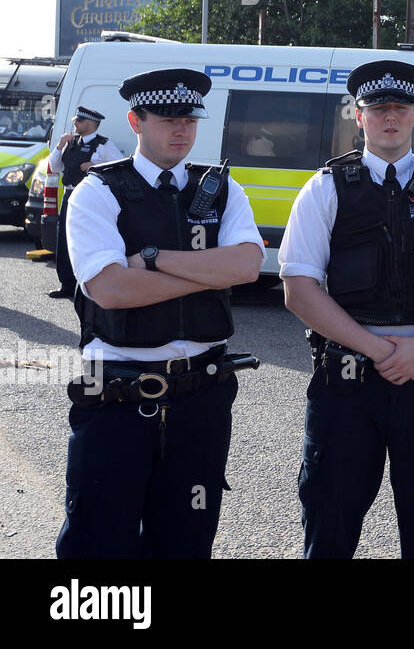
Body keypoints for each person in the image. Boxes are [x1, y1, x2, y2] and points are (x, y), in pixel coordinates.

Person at [280, 59, 414, 559]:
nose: (390, 117)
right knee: (329, 520)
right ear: (358, 117)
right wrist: (380, 349)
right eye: (377, 108)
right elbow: (299, 287)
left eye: (400, 107)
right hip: (348, 380)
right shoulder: (326, 187)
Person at [55, 69, 264, 559]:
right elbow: (109, 288)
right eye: (168, 118)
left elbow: (247, 266)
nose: (181, 130)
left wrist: (152, 258)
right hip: (116, 398)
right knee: (97, 541)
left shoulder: (221, 189)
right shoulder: (98, 191)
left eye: (189, 120)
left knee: (186, 540)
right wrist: (208, 272)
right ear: (135, 121)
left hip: (201, 398)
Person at [47, 107, 124, 298]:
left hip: (91, 199)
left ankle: (86, 286)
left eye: (78, 121)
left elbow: (120, 168)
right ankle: (66, 285)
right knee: (64, 240)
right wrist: (59, 145)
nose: (75, 124)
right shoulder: (70, 143)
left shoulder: (104, 145)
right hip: (69, 195)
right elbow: (55, 167)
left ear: (90, 124)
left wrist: (95, 166)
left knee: (87, 240)